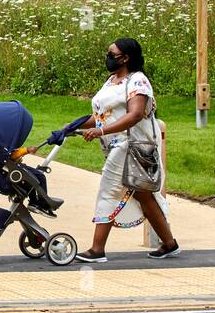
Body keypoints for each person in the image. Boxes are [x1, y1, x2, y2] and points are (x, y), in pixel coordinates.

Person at [68, 37, 179, 262]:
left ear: (125, 58)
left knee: (108, 190)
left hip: (131, 146)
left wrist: (101, 131)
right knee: (143, 196)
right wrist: (72, 126)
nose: (108, 58)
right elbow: (101, 116)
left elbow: (135, 114)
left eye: (112, 54)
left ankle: (97, 249)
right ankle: (169, 244)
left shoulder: (138, 81)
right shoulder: (111, 81)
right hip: (116, 146)